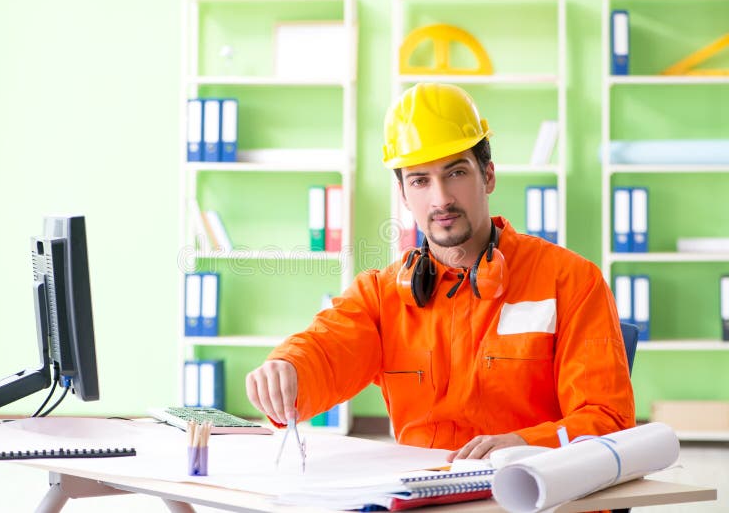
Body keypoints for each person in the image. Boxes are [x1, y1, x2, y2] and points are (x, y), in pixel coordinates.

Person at [246, 82, 635, 461]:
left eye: (456, 173)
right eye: (420, 180)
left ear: (488, 175)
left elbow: (608, 420)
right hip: (422, 496)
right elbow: (325, 352)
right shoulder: (382, 296)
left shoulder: (570, 281)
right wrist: (285, 370)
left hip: (530, 495)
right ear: (404, 194)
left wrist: (525, 444)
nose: (441, 198)